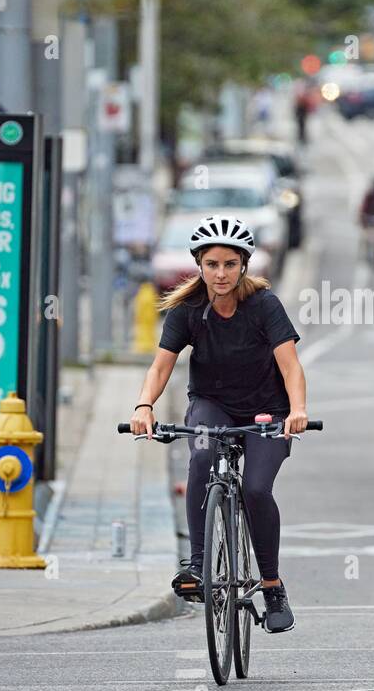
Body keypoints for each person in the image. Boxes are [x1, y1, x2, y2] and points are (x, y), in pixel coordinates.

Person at [129, 215, 308, 632]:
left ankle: (272, 585)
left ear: (244, 264)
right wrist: (143, 406)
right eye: (212, 264)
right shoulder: (187, 309)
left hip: (267, 410)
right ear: (199, 264)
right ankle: (197, 563)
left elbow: (291, 366)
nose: (221, 273)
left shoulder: (264, 305)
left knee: (257, 489)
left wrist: (296, 409)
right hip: (213, 405)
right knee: (201, 455)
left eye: (230, 264)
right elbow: (161, 367)